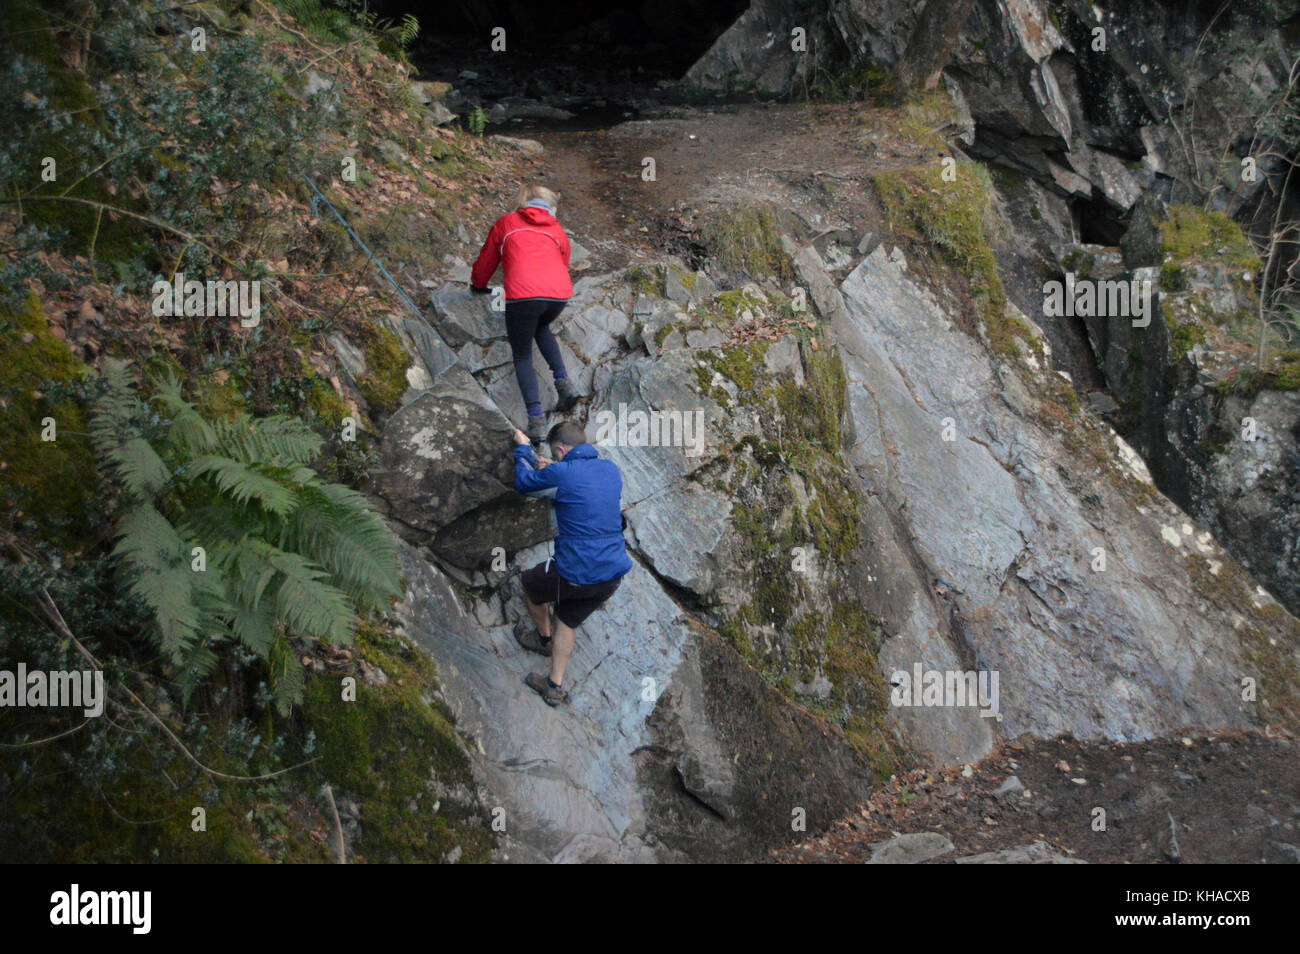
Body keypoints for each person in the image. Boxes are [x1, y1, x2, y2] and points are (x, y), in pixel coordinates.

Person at [510, 420, 632, 706]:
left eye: (555, 454)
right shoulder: (610, 470)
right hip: (612, 574)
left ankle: (542, 639)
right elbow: (580, 486)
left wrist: (522, 451)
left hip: (577, 570)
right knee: (566, 618)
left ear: (561, 450)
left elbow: (523, 484)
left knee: (530, 585)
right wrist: (552, 468)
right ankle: (554, 686)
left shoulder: (562, 471)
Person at [472, 184, 580, 443]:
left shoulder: (507, 223)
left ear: (524, 203)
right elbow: (562, 263)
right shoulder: (557, 230)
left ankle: (537, 421)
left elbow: (488, 258)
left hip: (523, 296)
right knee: (541, 328)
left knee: (522, 355)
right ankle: (565, 384)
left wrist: (478, 285)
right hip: (559, 294)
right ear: (549, 207)